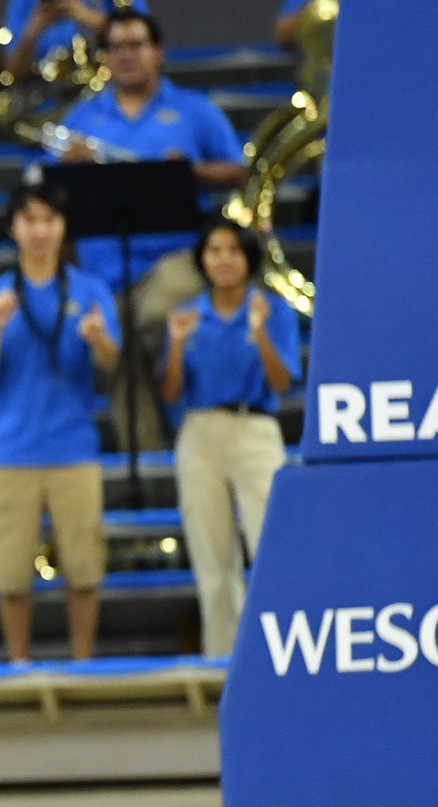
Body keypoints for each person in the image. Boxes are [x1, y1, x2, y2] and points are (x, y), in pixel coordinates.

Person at [0, 182, 121, 663]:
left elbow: (113, 365)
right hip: (13, 451)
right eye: (29, 221)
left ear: (62, 227)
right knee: (11, 576)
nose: (39, 231)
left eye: (49, 221)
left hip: (75, 448)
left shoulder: (90, 290)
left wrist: (98, 339)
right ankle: (18, 664)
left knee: (84, 570)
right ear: (14, 228)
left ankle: (83, 663)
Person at [55, 13, 247, 346]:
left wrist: (190, 172)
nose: (126, 55)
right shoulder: (81, 117)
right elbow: (48, 193)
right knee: (112, 353)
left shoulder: (194, 110)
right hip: (103, 269)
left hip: (175, 261)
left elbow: (239, 173)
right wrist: (68, 168)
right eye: (116, 47)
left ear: (158, 51)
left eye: (136, 45)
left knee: (153, 316)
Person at [159, 222, 297, 658]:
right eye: (214, 250)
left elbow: (282, 382)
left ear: (248, 258)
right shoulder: (186, 314)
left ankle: (285, 655)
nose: (223, 259)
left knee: (272, 547)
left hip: (255, 428)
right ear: (202, 259)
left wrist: (260, 334)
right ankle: (223, 660)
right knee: (212, 556)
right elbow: (170, 392)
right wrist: (177, 345)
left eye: (233, 250)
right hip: (200, 430)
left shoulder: (273, 309)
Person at [2, 0, 148, 80]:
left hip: (106, 103)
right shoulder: (23, 3)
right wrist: (33, 30)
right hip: (45, 108)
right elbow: (12, 74)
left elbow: (145, 44)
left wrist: (83, 15)